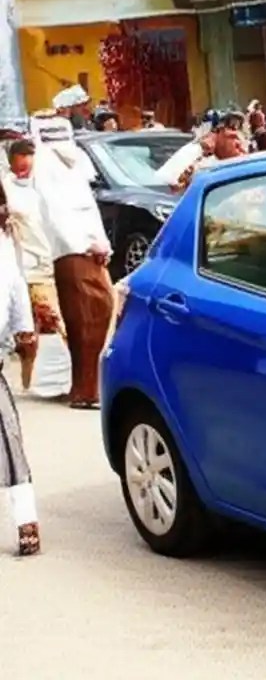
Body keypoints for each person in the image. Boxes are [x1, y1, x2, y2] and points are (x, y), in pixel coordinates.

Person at [29, 110, 113, 410]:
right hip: (72, 254)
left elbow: (88, 211)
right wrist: (87, 245)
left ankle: (90, 388)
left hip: (91, 253)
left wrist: (101, 244)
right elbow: (55, 217)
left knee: (98, 319)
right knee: (84, 324)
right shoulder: (45, 166)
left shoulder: (73, 165)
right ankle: (86, 391)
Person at [2, 140, 70, 398]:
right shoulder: (6, 189)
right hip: (25, 267)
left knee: (55, 322)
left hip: (52, 262)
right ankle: (28, 381)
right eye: (20, 158)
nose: (25, 165)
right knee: (35, 327)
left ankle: (78, 381)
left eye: (29, 158)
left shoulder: (47, 187)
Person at [0, 190, 41, 556]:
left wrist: (24, 331)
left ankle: (26, 520)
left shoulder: (4, 248)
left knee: (10, 443)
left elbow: (16, 294)